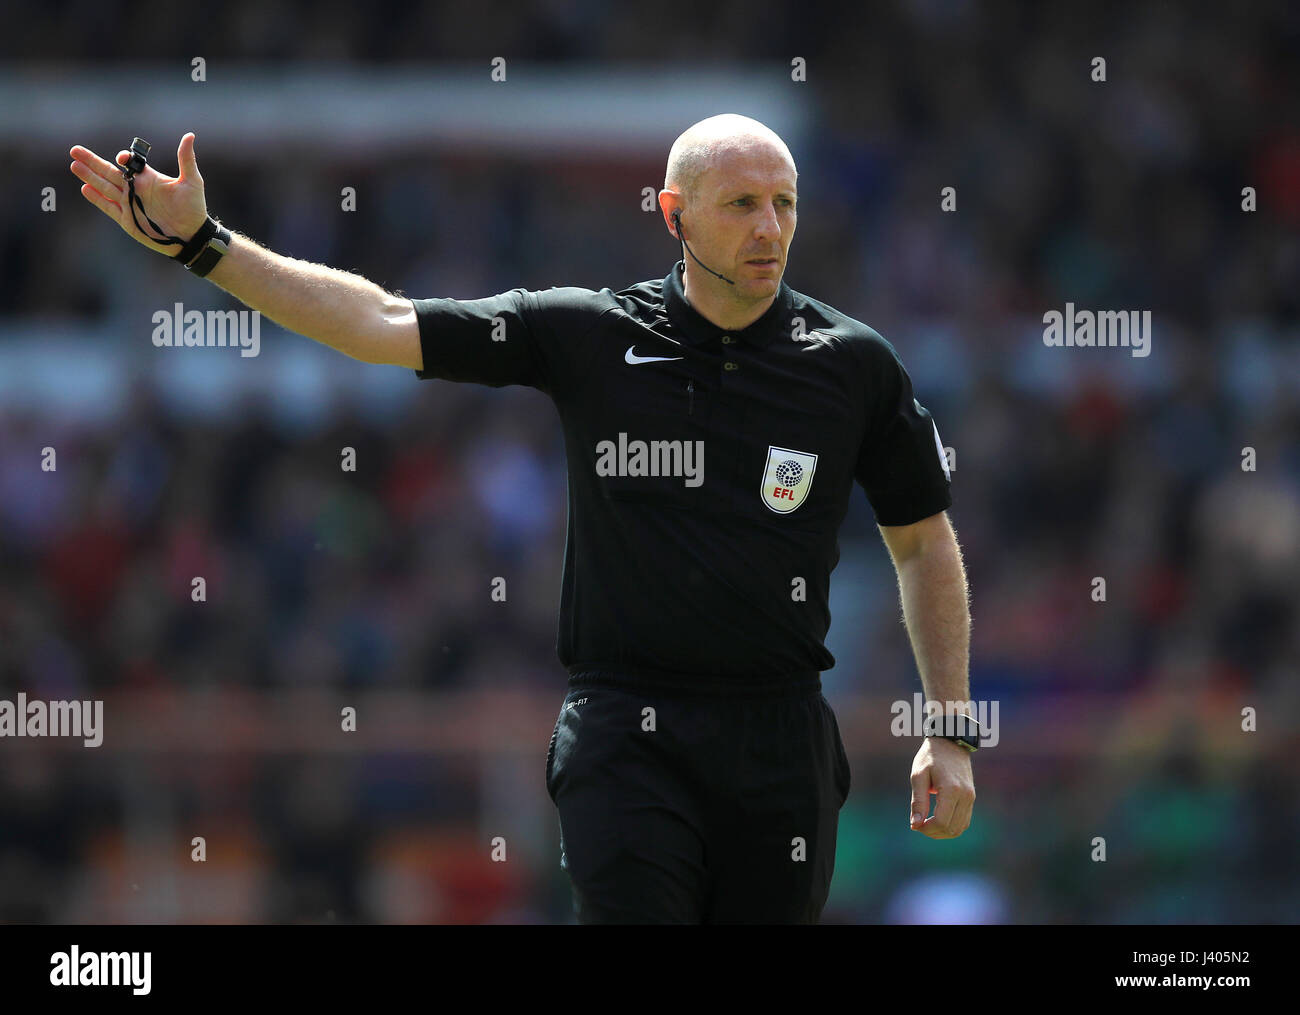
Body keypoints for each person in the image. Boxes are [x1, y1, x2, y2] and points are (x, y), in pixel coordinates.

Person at [69, 113, 977, 924]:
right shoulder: (587, 334)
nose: (770, 228)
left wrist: (949, 728)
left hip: (782, 741)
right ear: (674, 213)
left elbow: (924, 542)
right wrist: (205, 244)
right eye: (741, 203)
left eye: (784, 202)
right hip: (629, 733)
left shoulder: (855, 365)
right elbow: (380, 321)